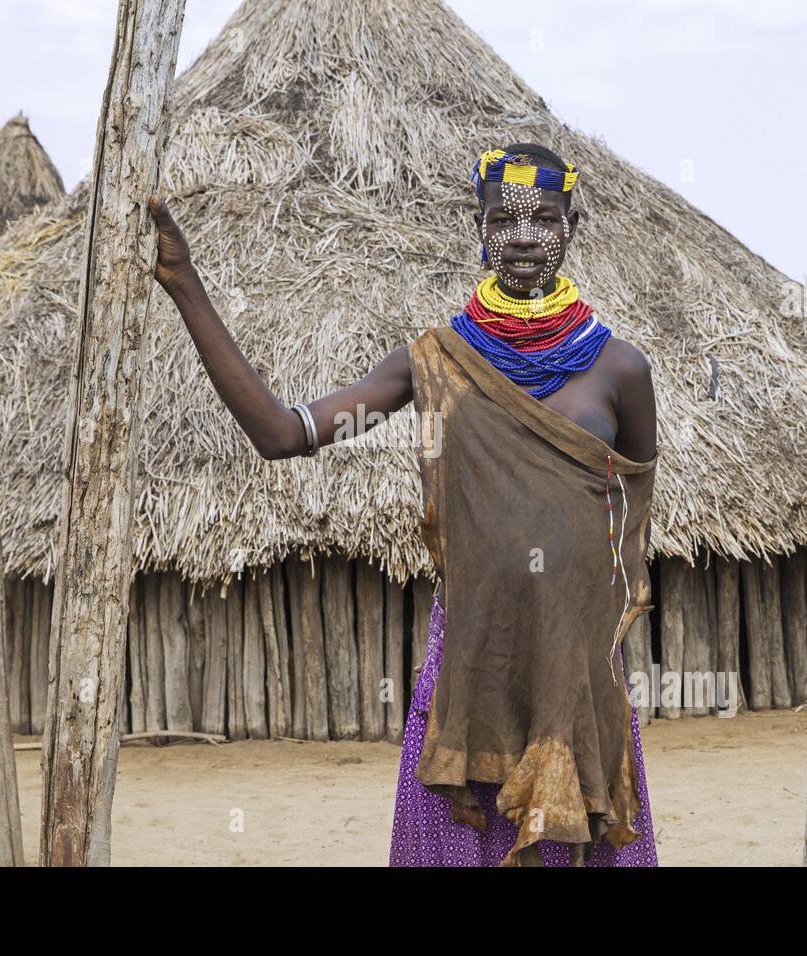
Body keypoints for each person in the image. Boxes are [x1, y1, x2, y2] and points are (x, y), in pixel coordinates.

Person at [148, 142, 659, 867]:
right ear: (478, 229)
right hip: (467, 677)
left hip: (575, 679)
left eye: (542, 219)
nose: (520, 237)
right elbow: (282, 432)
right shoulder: (432, 363)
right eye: (501, 220)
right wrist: (183, 282)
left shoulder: (620, 370)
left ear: (573, 225)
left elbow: (629, 513)